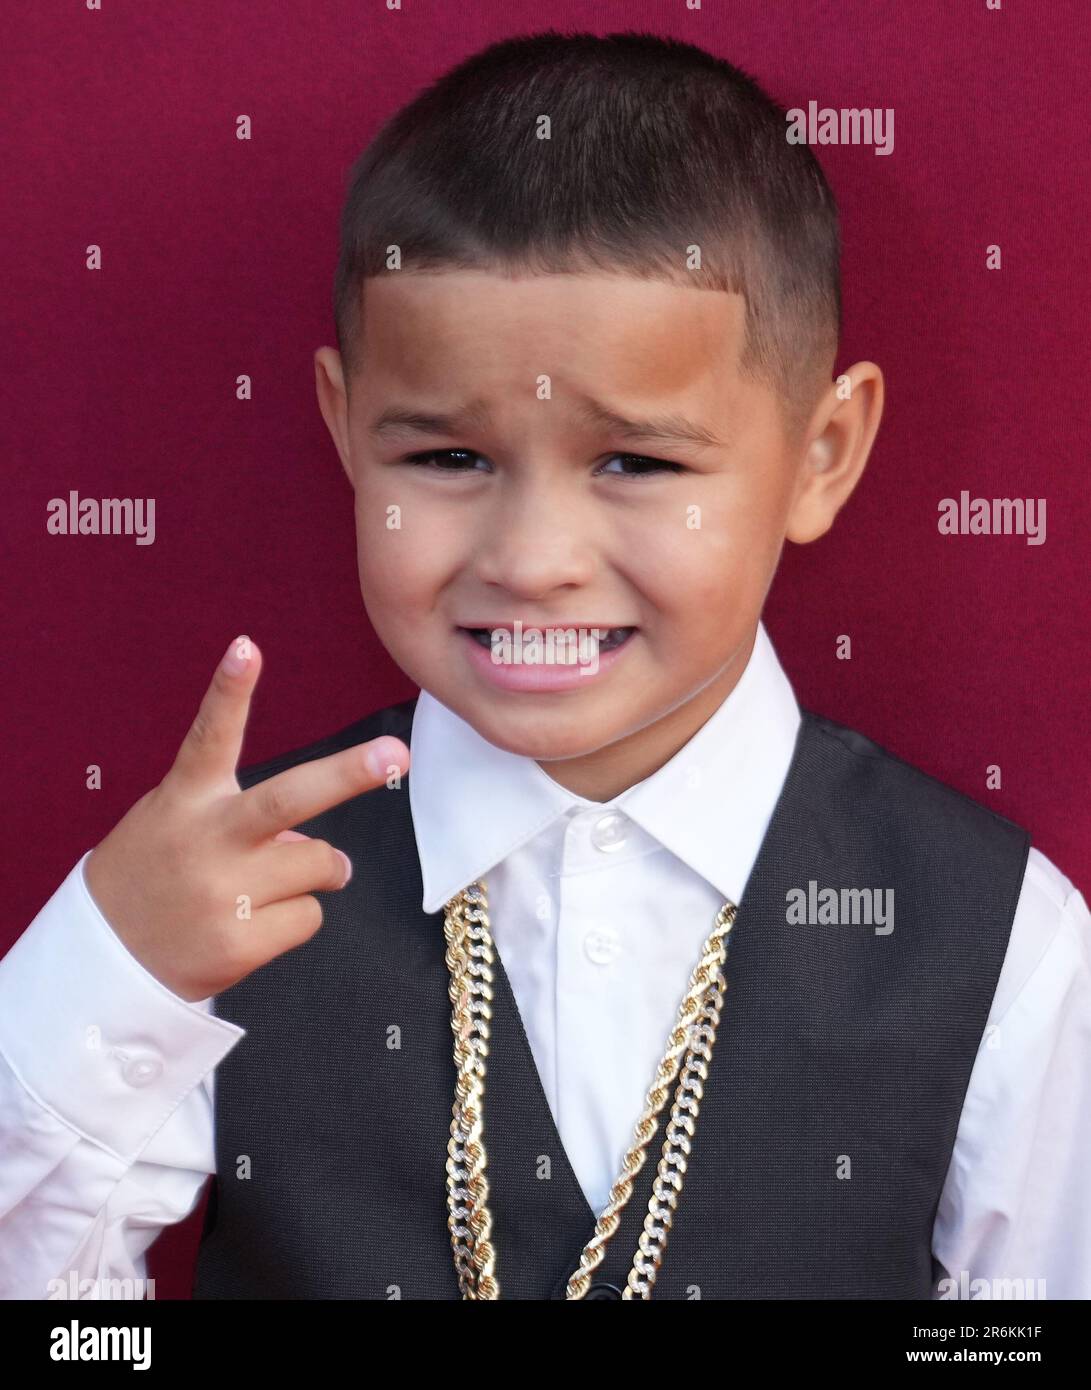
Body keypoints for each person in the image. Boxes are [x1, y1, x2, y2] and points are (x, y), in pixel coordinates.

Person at [1, 31, 1088, 1301]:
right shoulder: (225, 902)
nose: (529, 561)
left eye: (635, 462)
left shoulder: (996, 936)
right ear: (346, 429)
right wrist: (105, 969)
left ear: (820, 453)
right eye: (447, 459)